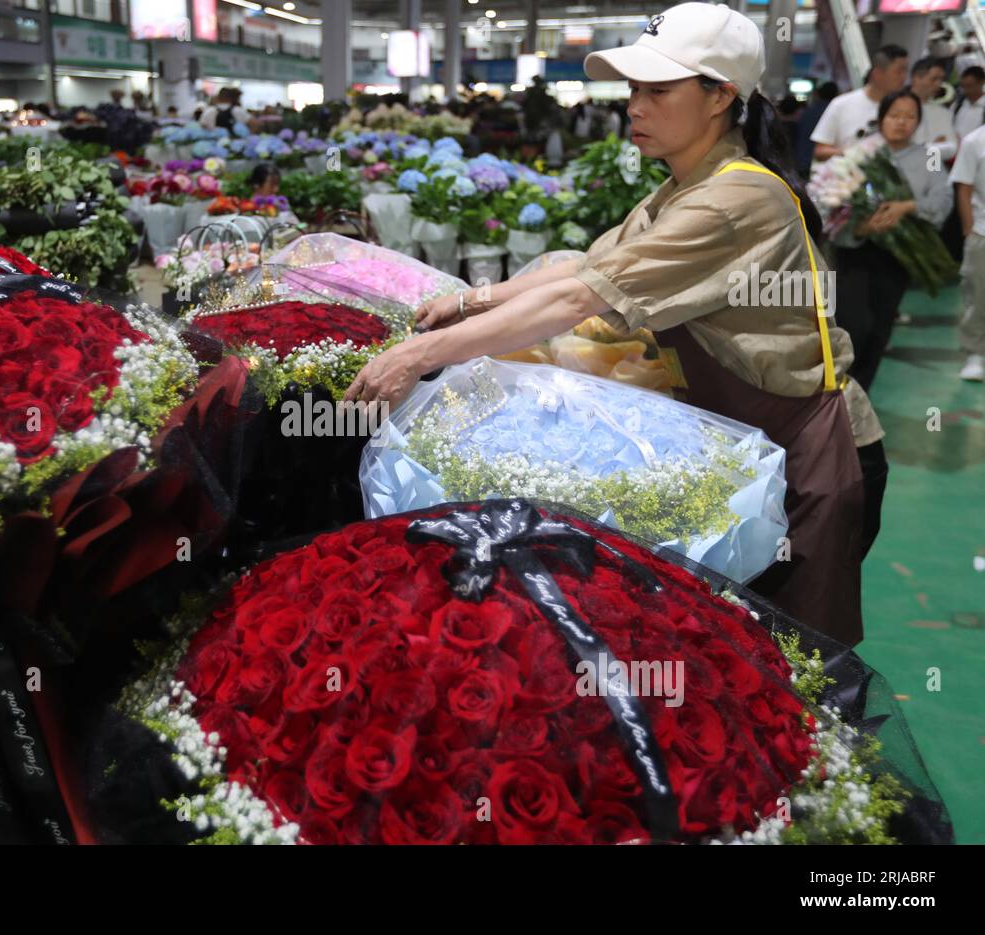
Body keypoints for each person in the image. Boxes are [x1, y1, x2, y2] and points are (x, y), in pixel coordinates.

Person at [344, 2, 883, 647]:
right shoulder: (685, 186)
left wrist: (420, 354)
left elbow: (580, 300)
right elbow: (586, 266)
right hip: (759, 444)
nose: (636, 106)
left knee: (794, 662)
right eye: (633, 89)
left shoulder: (736, 200)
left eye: (659, 90)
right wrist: (469, 303)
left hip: (812, 457)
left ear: (721, 98)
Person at [831, 90, 952, 391]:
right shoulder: (861, 153)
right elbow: (832, 204)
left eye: (910, 116)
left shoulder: (930, 156)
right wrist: (860, 228)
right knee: (854, 326)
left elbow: (941, 199)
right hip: (855, 252)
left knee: (879, 330)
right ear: (881, 118)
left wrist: (907, 207)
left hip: (899, 257)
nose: (902, 122)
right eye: (895, 115)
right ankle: (836, 392)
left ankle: (859, 397)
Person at [811, 45, 908, 163]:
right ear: (877, 74)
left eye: (905, 71)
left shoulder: (904, 107)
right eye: (899, 72)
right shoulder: (842, 104)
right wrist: (855, 154)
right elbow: (820, 150)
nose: (904, 78)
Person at [949, 122, 985, 381]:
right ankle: (976, 353)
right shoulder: (975, 141)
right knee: (978, 295)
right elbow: (964, 188)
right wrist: (969, 229)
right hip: (982, 232)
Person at [910, 57, 956, 163]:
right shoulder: (895, 104)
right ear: (916, 78)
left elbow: (952, 148)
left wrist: (922, 148)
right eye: (934, 79)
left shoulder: (943, 113)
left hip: (931, 171)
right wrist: (935, 145)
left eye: (941, 79)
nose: (938, 84)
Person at [792, 81, 837, 177]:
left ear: (819, 94)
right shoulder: (836, 113)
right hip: (827, 167)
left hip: (802, 162)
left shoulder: (807, 112)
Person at [952, 66, 985, 142]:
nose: (966, 91)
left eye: (970, 86)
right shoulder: (957, 105)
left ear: (982, 82)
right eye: (963, 86)